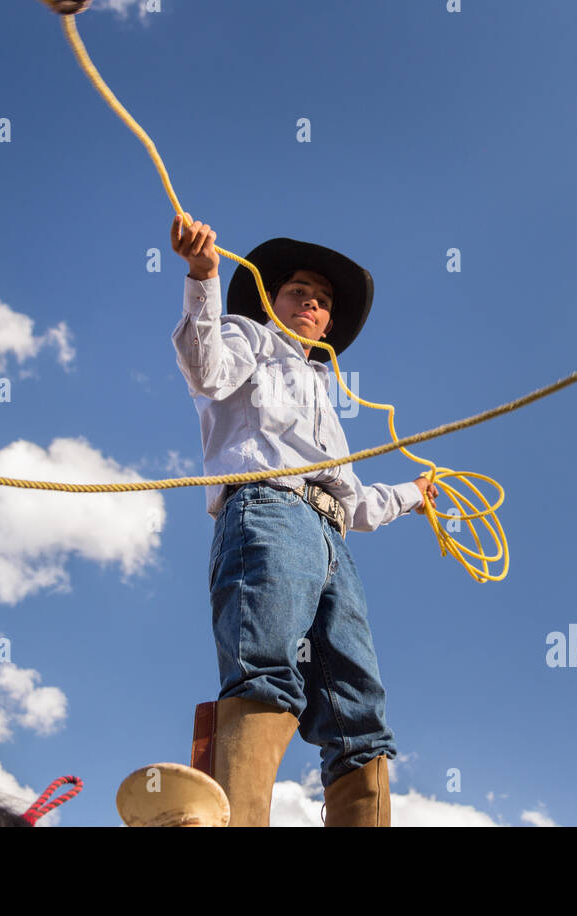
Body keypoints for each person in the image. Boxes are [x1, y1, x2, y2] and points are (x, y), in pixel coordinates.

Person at [169, 214, 438, 826]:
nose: (313, 304)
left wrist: (413, 494)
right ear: (271, 297)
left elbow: (356, 504)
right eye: (299, 291)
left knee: (360, 708)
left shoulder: (325, 392)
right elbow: (204, 368)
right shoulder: (247, 337)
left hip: (331, 539)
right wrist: (203, 275)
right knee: (265, 668)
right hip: (268, 511)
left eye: (322, 301)